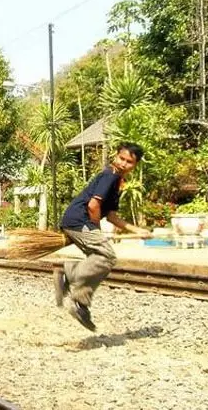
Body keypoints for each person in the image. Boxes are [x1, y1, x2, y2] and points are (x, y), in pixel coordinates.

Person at [54, 142, 151, 331]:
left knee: (100, 261)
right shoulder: (110, 175)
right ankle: (67, 272)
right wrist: (96, 228)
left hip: (78, 220)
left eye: (129, 161)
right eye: (121, 158)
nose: (123, 163)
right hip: (79, 220)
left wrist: (137, 230)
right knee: (107, 256)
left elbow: (112, 216)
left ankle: (80, 304)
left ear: (135, 165)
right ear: (115, 156)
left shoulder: (117, 182)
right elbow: (93, 205)